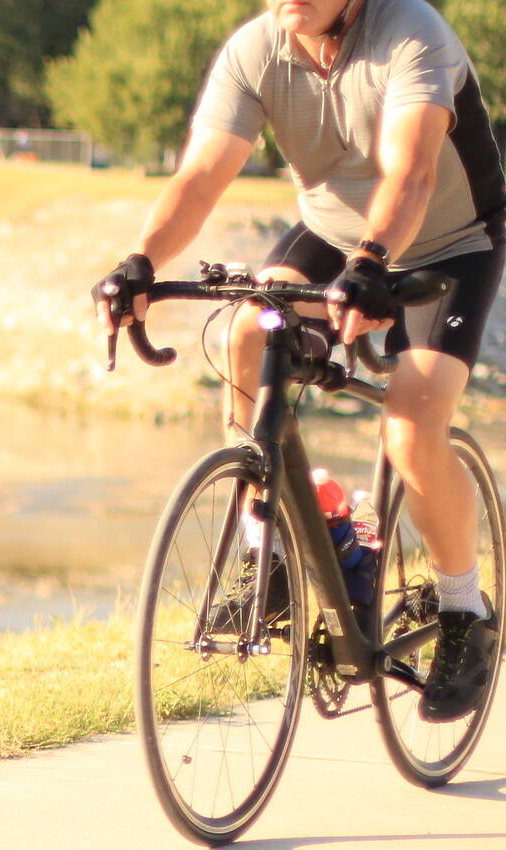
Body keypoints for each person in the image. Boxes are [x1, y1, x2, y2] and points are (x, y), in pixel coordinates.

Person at [92, 0, 506, 721]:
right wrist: (140, 263)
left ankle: (466, 613)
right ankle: (270, 554)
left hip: (451, 245)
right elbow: (199, 178)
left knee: (410, 429)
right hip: (330, 237)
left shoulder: (413, 34)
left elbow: (409, 174)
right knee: (249, 333)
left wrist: (374, 262)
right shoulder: (258, 51)